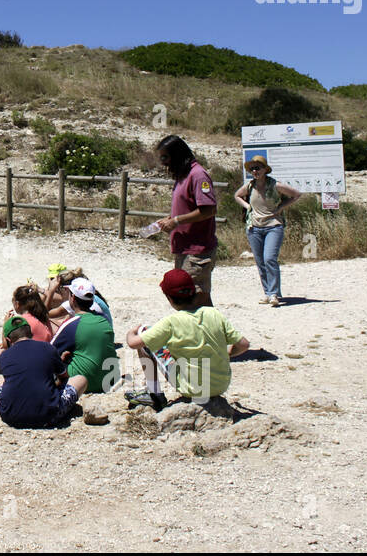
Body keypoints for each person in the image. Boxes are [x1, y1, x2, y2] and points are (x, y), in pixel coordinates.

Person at [125, 269, 250, 410]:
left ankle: (155, 394)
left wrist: (132, 332)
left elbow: (133, 343)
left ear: (169, 298)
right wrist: (228, 353)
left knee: (145, 333)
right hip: (221, 385)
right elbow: (244, 344)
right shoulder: (214, 314)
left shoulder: (171, 322)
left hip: (192, 388)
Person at [156, 135, 218, 306]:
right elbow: (189, 207)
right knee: (196, 302)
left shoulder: (198, 175)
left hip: (197, 252)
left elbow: (209, 210)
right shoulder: (183, 175)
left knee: (194, 301)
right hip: (185, 249)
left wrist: (176, 221)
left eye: (165, 157)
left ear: (177, 154)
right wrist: (170, 219)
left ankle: (210, 332)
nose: (163, 162)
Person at [236, 155, 301, 306]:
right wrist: (248, 208)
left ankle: (273, 293)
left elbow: (296, 195)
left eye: (258, 168)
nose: (255, 171)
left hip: (273, 226)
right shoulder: (250, 186)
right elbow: (237, 196)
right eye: (252, 168)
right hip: (254, 228)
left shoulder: (275, 185)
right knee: (260, 262)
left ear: (265, 169)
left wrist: (281, 208)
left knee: (269, 258)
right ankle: (268, 292)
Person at [0, 315, 79, 429]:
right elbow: (64, 376)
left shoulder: (3, 356)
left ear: (9, 340)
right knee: (81, 379)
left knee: (0, 381)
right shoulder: (48, 348)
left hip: (11, 416)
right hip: (48, 416)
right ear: (30, 334)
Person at [50, 285, 120, 397]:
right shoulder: (104, 319)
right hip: (110, 378)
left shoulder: (72, 324)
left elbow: (49, 351)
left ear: (72, 298)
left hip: (87, 383)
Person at [0, 284, 54, 369]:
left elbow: (6, 346)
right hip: (46, 355)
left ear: (17, 304)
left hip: (29, 361)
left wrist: (6, 324)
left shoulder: (21, 320)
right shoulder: (42, 315)